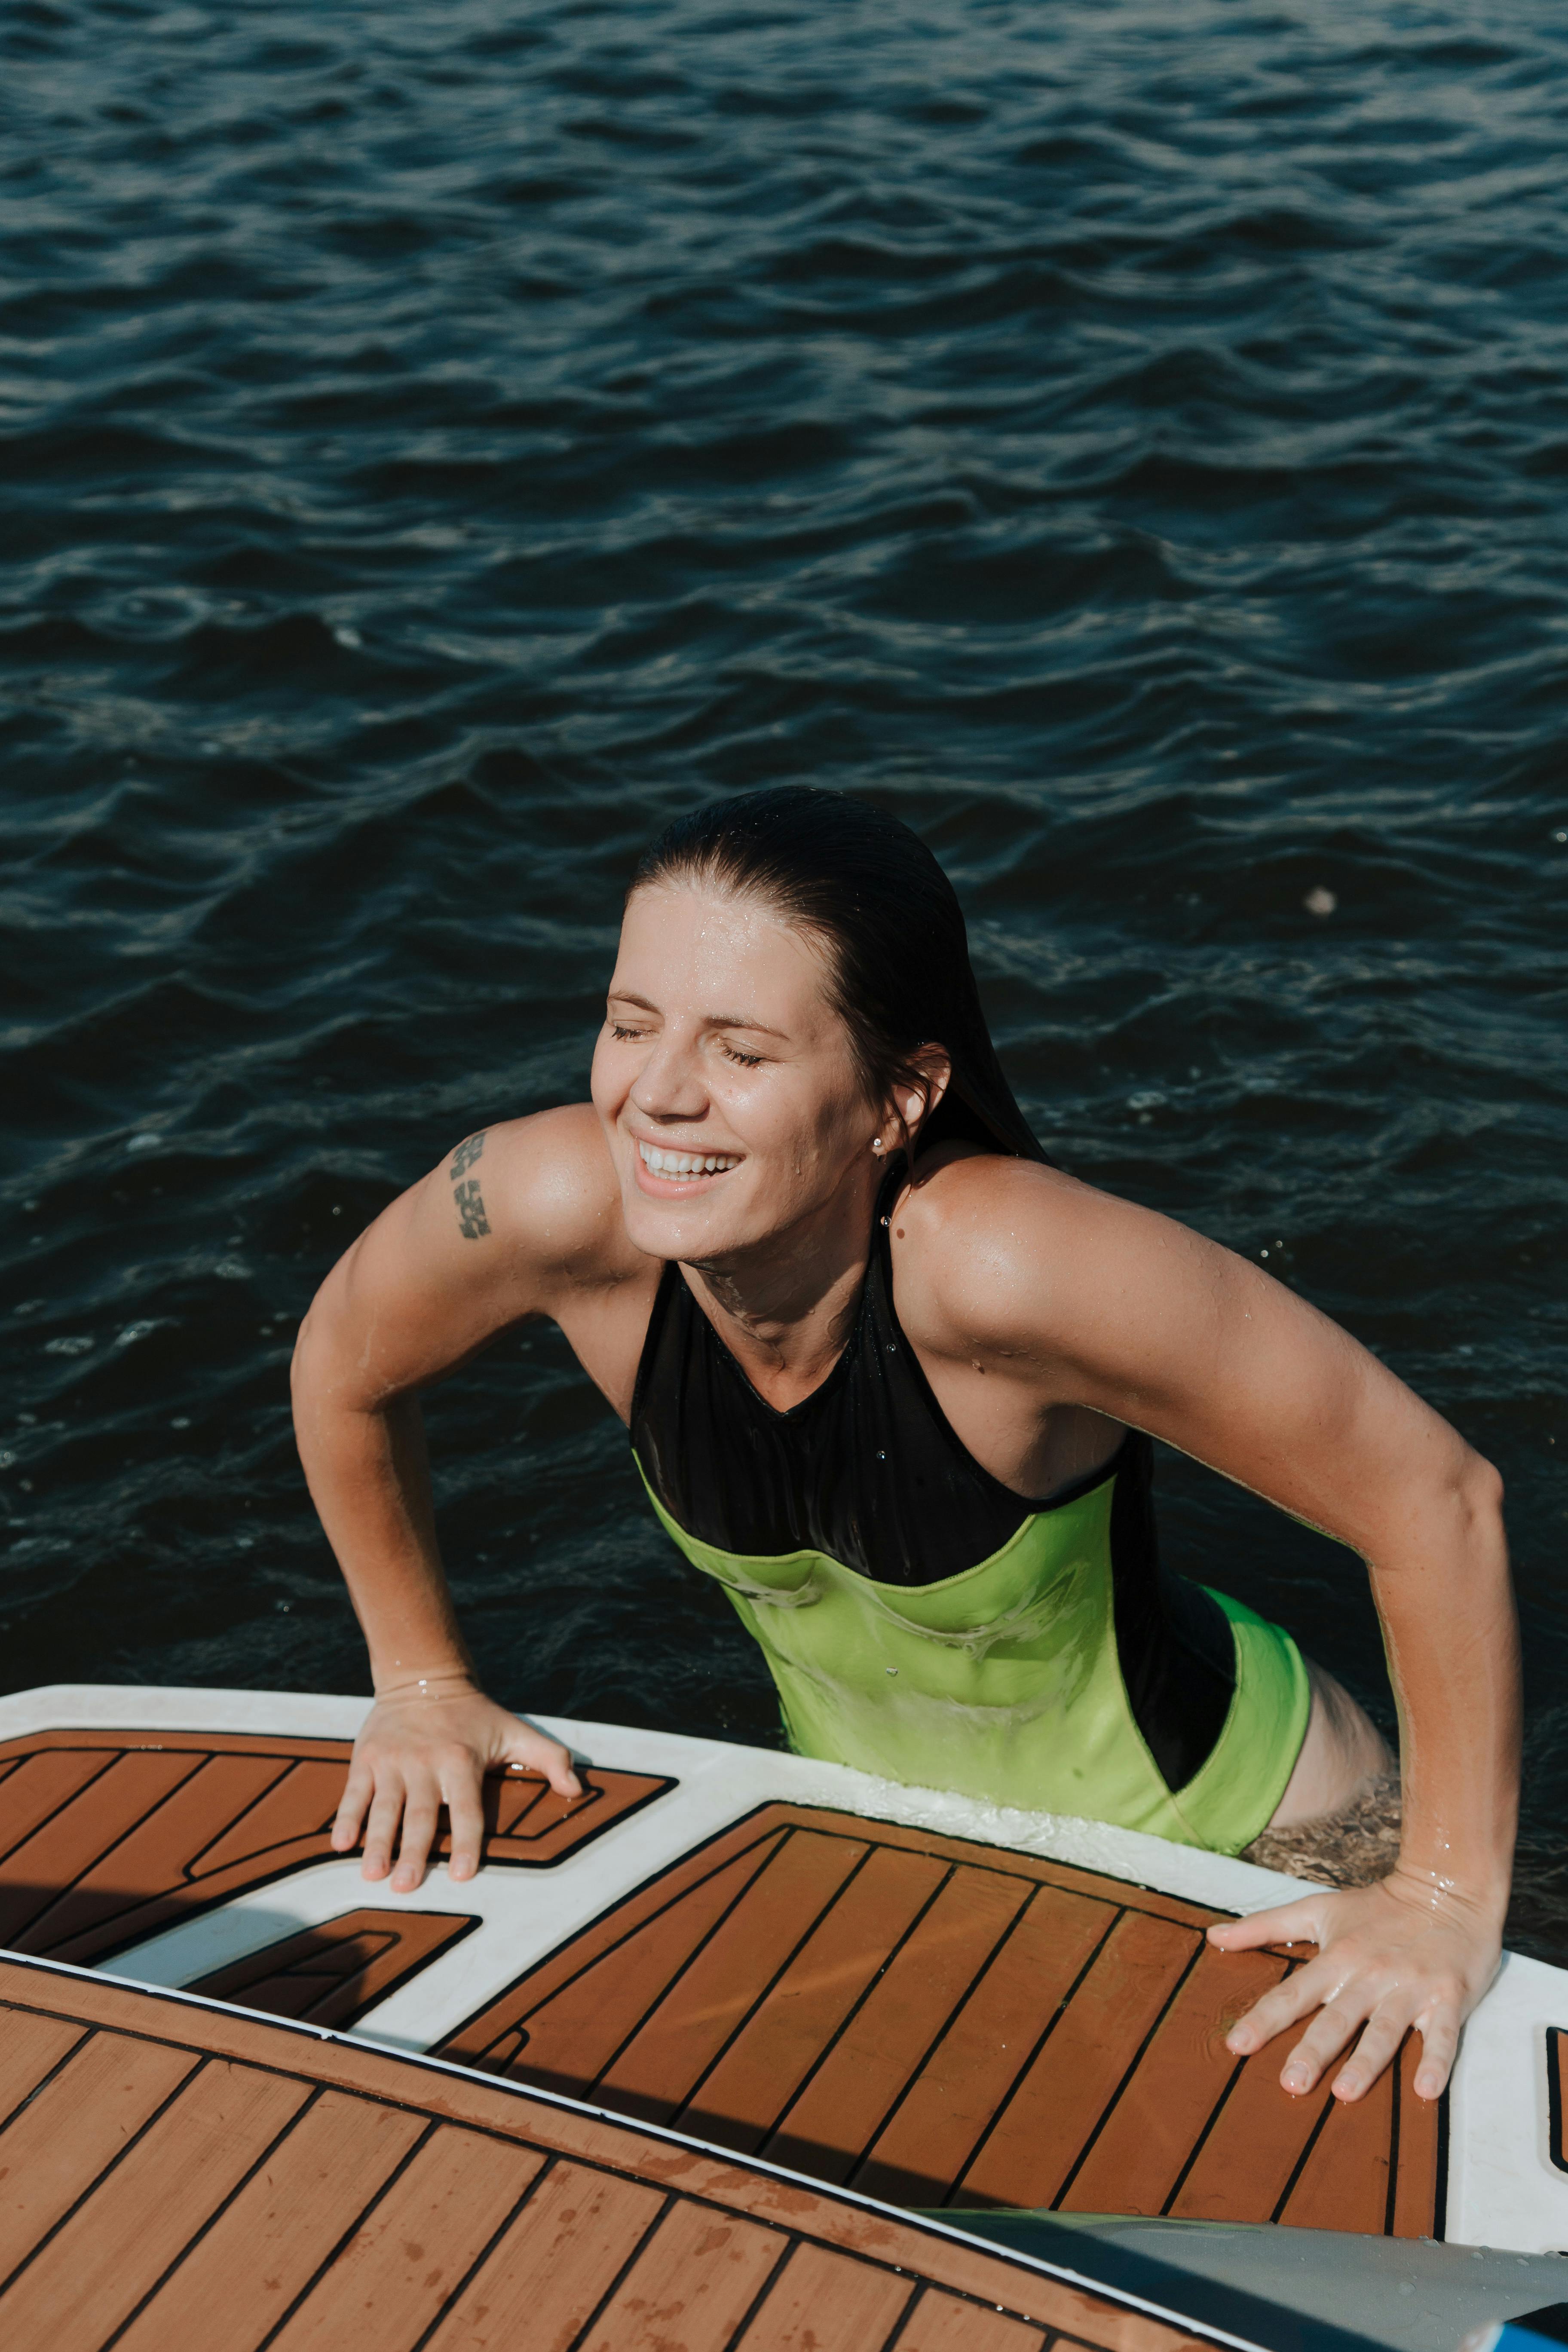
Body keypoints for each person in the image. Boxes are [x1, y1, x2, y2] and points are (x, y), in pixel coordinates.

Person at [291, 785, 1519, 2107]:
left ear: (900, 1095)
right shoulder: (552, 1208)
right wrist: (421, 1683)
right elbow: (342, 1365)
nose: (655, 1095)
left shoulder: (1006, 1272)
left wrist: (1442, 1895)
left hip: (1252, 1842)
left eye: (741, 1052)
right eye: (630, 1023)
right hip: (887, 1843)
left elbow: (1438, 1498)